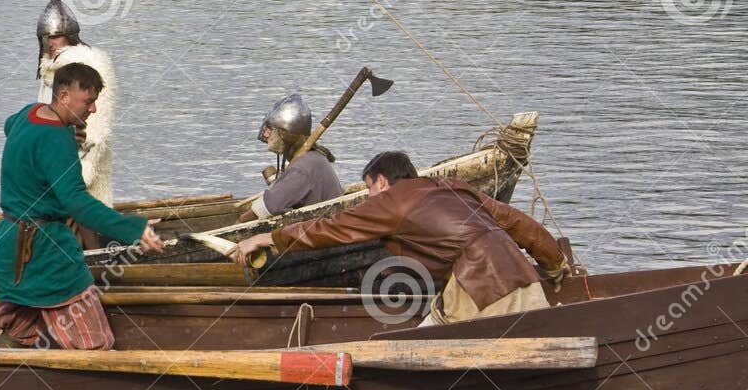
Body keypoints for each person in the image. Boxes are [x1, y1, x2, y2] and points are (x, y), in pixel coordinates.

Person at [232, 150, 570, 325]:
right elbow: (517, 222)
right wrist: (555, 263)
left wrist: (268, 239)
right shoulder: (455, 187)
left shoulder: (391, 202)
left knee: (423, 345)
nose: (367, 198)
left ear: (381, 182)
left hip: (481, 289)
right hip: (525, 282)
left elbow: (330, 228)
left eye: (368, 189)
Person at [0, 61, 163, 350]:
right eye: (88, 101)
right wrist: (135, 228)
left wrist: (64, 135)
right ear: (64, 95)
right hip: (46, 255)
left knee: (19, 329)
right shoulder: (56, 139)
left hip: (6, 248)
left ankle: (8, 369)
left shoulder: (28, 114)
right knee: (96, 343)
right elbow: (77, 203)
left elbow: (10, 126)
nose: (92, 109)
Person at [35, 0, 116, 205]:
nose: (51, 43)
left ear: (70, 37)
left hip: (77, 185)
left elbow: (95, 133)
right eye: (46, 37)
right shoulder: (50, 72)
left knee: (91, 208)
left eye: (57, 36)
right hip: (53, 181)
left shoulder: (90, 67)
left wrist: (76, 180)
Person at [247, 93, 342, 219]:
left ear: (283, 133)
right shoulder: (312, 158)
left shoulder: (301, 168)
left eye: (271, 129)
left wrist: (240, 221)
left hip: (323, 228)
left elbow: (268, 207)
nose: (266, 134)